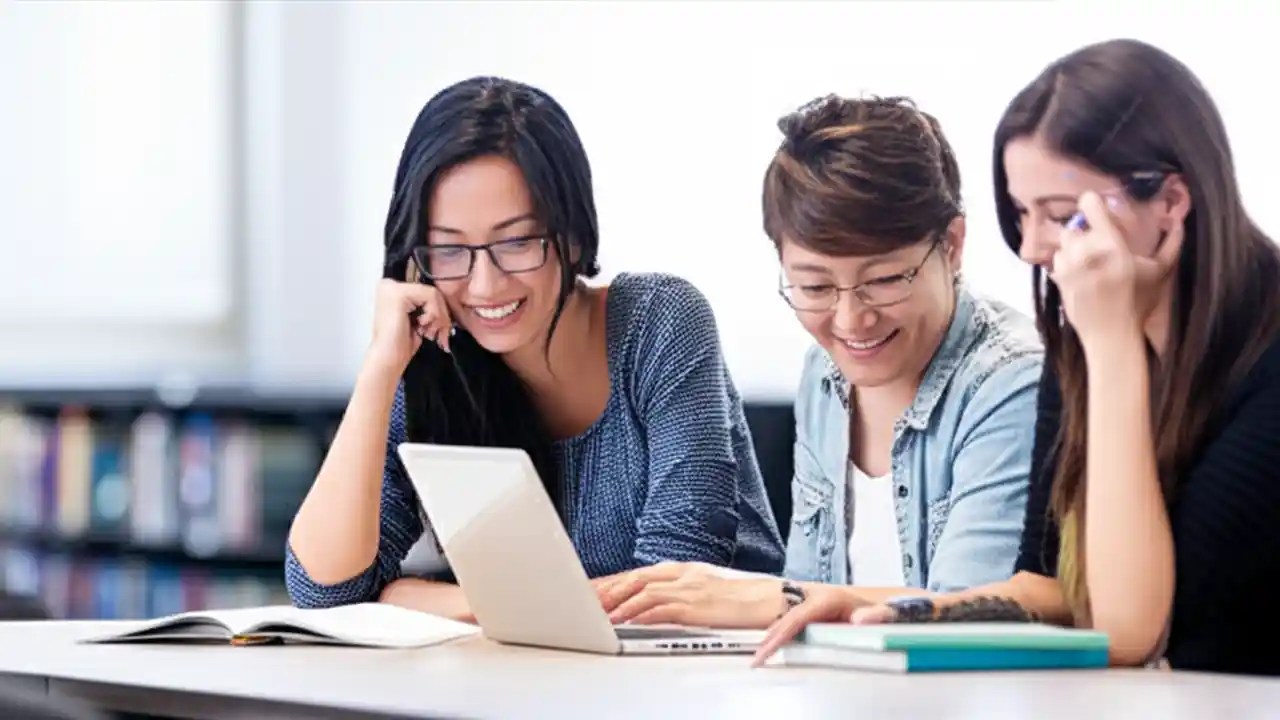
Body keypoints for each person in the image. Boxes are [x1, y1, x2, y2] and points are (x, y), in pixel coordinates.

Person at [754, 39, 1280, 676]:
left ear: (1170, 203)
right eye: (1022, 213)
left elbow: (1126, 630)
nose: (1031, 247)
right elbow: (1046, 584)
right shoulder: (1080, 340)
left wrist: (1112, 345)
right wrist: (894, 611)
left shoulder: (1235, 360)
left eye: (1061, 216)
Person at [285, 76, 785, 620]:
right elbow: (324, 591)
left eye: (517, 242)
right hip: (534, 664)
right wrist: (380, 368)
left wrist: (413, 596)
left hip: (715, 659)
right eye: (449, 250)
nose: (484, 286)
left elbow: (672, 583)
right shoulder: (435, 357)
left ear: (572, 233)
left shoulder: (659, 321)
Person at [596, 94, 1043, 629]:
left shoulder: (1011, 382)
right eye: (815, 287)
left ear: (952, 244)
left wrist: (775, 599)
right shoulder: (825, 374)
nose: (851, 320)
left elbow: (968, 611)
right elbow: (810, 589)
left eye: (884, 280)